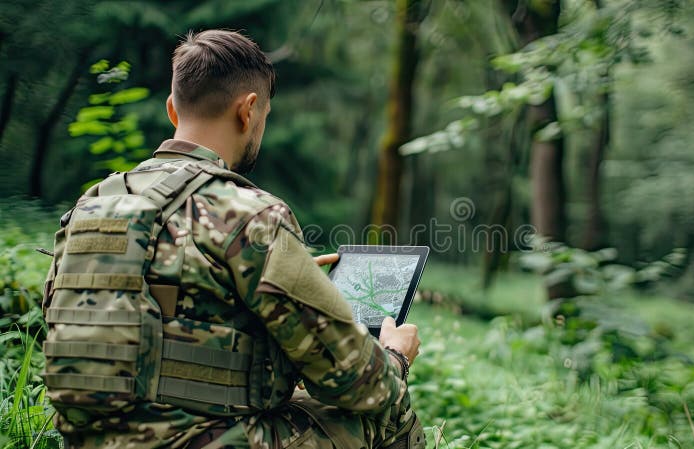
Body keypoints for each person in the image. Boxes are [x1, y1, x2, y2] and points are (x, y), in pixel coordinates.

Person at [42, 29, 425, 449]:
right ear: (248, 111)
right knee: (389, 409)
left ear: (173, 110)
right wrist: (395, 356)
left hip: (87, 441)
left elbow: (140, 314)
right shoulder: (250, 214)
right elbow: (361, 385)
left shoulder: (92, 204)